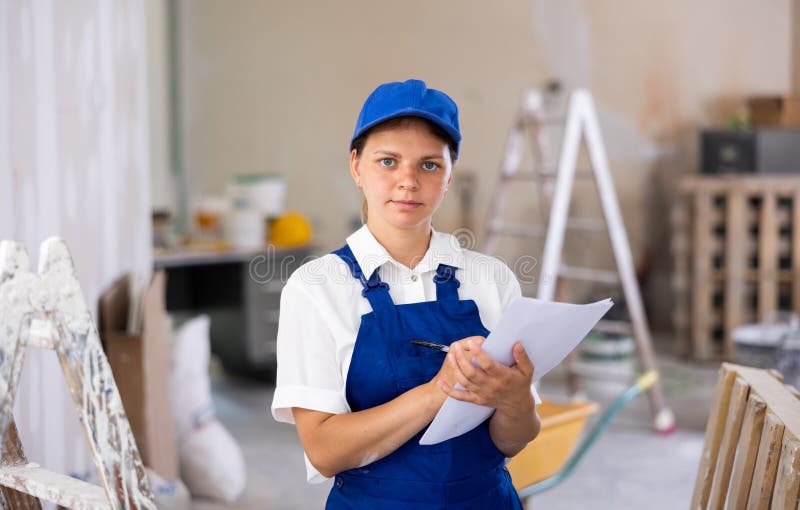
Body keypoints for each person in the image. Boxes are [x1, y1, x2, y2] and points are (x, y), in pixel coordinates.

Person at [271, 79, 541, 509]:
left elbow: (513, 441)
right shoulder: (316, 288)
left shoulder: (492, 279)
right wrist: (439, 390)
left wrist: (515, 400)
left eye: (429, 165)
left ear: (450, 174)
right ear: (356, 167)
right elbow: (324, 451)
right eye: (388, 161)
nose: (408, 181)